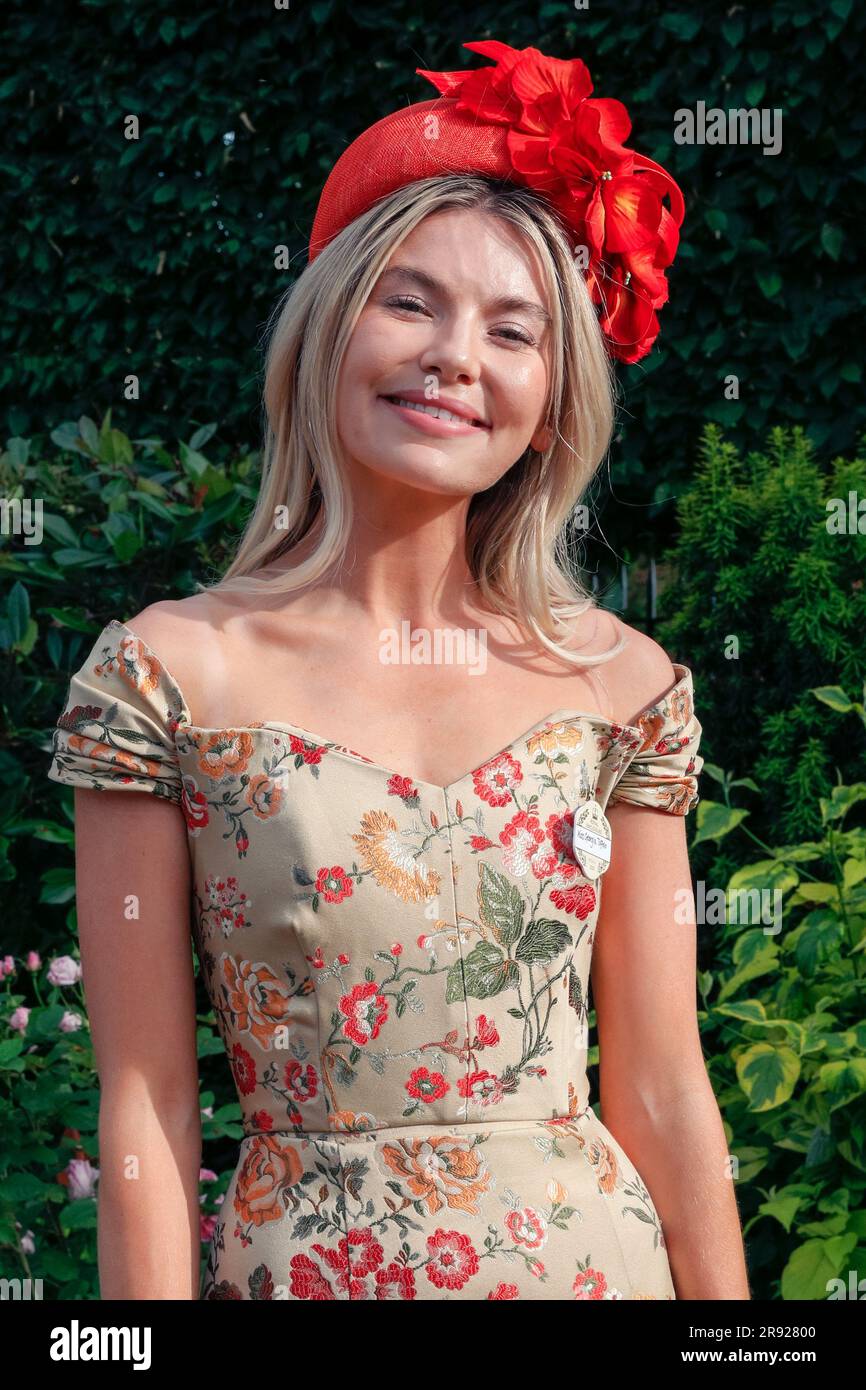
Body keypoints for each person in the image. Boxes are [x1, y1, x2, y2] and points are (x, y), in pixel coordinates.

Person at [46, 39, 750, 1300]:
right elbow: (145, 1101)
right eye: (411, 301)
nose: (455, 358)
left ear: (553, 392)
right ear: (330, 324)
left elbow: (658, 1084)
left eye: (512, 329)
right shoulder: (168, 676)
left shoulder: (622, 686)